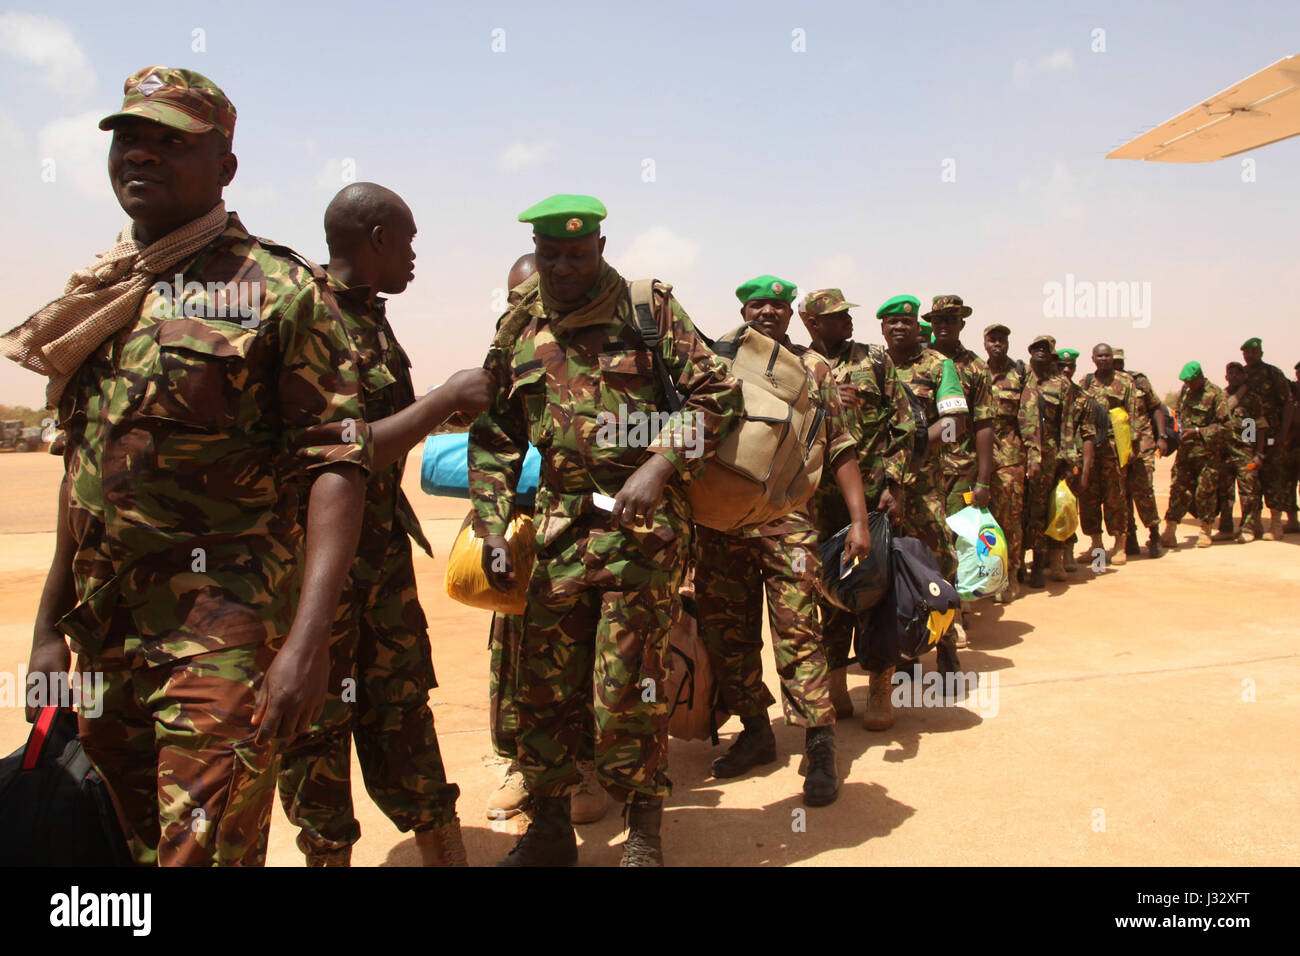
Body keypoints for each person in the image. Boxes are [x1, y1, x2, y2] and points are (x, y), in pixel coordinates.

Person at [2, 66, 372, 865]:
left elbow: (337, 463)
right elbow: (82, 476)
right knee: (121, 846)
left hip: (225, 635)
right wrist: (45, 634)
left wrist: (306, 644)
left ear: (225, 168)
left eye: (172, 142)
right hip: (107, 635)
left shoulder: (278, 289)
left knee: (198, 853)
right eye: (130, 138)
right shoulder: (106, 297)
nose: (142, 155)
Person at [469, 194, 743, 866]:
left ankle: (645, 827)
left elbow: (719, 396)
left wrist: (659, 465)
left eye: (576, 254)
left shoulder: (645, 308)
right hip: (559, 531)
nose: (561, 268)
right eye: (549, 255)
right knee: (544, 688)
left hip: (640, 535)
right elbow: (494, 432)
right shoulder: (520, 320)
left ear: (599, 246)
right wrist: (493, 525)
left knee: (627, 686)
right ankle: (551, 827)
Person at [275, 183, 494, 866]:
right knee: (316, 732)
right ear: (375, 240)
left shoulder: (370, 315)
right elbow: (341, 446)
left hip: (380, 566)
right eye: (409, 240)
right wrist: (444, 400)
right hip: (316, 573)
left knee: (403, 712)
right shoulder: (311, 314)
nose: (416, 255)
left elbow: (380, 423)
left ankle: (441, 847)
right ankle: (327, 853)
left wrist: (456, 410)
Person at [694, 278, 871, 806]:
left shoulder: (813, 370)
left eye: (778, 304)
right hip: (721, 525)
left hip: (789, 519)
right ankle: (756, 730)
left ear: (792, 313)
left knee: (798, 632)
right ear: (742, 309)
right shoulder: (713, 359)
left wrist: (859, 521)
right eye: (757, 304)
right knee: (727, 633)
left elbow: (839, 445)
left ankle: (819, 746)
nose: (768, 311)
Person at [484, 253, 606, 826]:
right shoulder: (512, 346)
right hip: (525, 528)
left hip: (599, 525)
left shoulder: (608, 336)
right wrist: (492, 527)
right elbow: (492, 440)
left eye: (530, 292)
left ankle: (588, 764)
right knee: (517, 656)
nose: (524, 302)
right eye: (515, 295)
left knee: (594, 659)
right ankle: (522, 766)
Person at [800, 288, 914, 730]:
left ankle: (880, 687)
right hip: (815, 501)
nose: (846, 321)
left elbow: (905, 423)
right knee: (823, 592)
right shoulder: (796, 364)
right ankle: (834, 687)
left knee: (877, 591)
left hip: (870, 498)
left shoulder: (874, 360)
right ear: (810, 322)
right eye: (834, 316)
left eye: (847, 314)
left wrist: (894, 481)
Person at [880, 295, 968, 677]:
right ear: (882, 328)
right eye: (891, 322)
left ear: (918, 327)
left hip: (923, 486)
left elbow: (955, 423)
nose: (900, 327)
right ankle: (905, 651)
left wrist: (914, 447)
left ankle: (946, 646)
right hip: (882, 487)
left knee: (938, 565)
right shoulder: (874, 364)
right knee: (890, 571)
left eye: (907, 321)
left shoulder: (939, 365)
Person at [1079, 344, 1145, 565]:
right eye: (1100, 356)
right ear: (1093, 358)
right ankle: (1096, 544)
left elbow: (1135, 414)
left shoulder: (1125, 382)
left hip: (1115, 448)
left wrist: (1133, 447)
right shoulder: (1086, 382)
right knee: (1089, 496)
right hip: (1091, 448)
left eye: (1107, 355)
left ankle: (1119, 546)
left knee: (1115, 496)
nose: (1104, 359)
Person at [982, 324, 1033, 600]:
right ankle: (988, 573)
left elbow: (1028, 417)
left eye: (1002, 339)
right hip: (979, 455)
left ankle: (1011, 573)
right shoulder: (976, 369)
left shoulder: (1020, 374)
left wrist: (1033, 455)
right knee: (982, 519)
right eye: (993, 339)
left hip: (1010, 456)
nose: (998, 343)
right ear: (985, 343)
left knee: (1009, 518)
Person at [1159, 362, 1228, 549]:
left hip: (1207, 453)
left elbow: (1225, 426)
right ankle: (1170, 531)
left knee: (1205, 491)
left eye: (1191, 382)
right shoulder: (1186, 391)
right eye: (1186, 382)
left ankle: (1205, 530)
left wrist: (1198, 431)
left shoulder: (1215, 394)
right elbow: (1178, 417)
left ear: (1200, 377)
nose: (1188, 385)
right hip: (1185, 453)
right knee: (1178, 490)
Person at [1112, 349, 1167, 558]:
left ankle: (1154, 535)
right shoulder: (1098, 383)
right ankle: (1130, 537)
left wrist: (1161, 436)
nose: (1115, 366)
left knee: (1144, 491)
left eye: (1118, 362)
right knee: (1121, 494)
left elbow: (1156, 407)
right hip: (1117, 448)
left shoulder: (1139, 381)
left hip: (1142, 444)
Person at [1240, 338, 1296, 540]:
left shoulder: (1273, 373)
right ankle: (1252, 524)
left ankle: (1275, 524)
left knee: (1274, 476)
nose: (1250, 356)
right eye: (1246, 353)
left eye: (1254, 353)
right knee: (1250, 477)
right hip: (1249, 432)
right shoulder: (1242, 375)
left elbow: (1288, 404)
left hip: (1272, 432)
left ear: (1261, 354)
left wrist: (1283, 431)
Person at [1215, 362, 1268, 541]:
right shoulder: (1220, 397)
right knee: (1224, 492)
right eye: (1231, 373)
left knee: (1249, 492)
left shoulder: (1253, 398)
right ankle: (1226, 528)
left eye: (1239, 373)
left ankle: (1248, 528)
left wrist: (1259, 453)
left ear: (1244, 376)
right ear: (1226, 377)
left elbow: (1260, 427)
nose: (1235, 376)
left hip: (1245, 450)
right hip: (1224, 451)